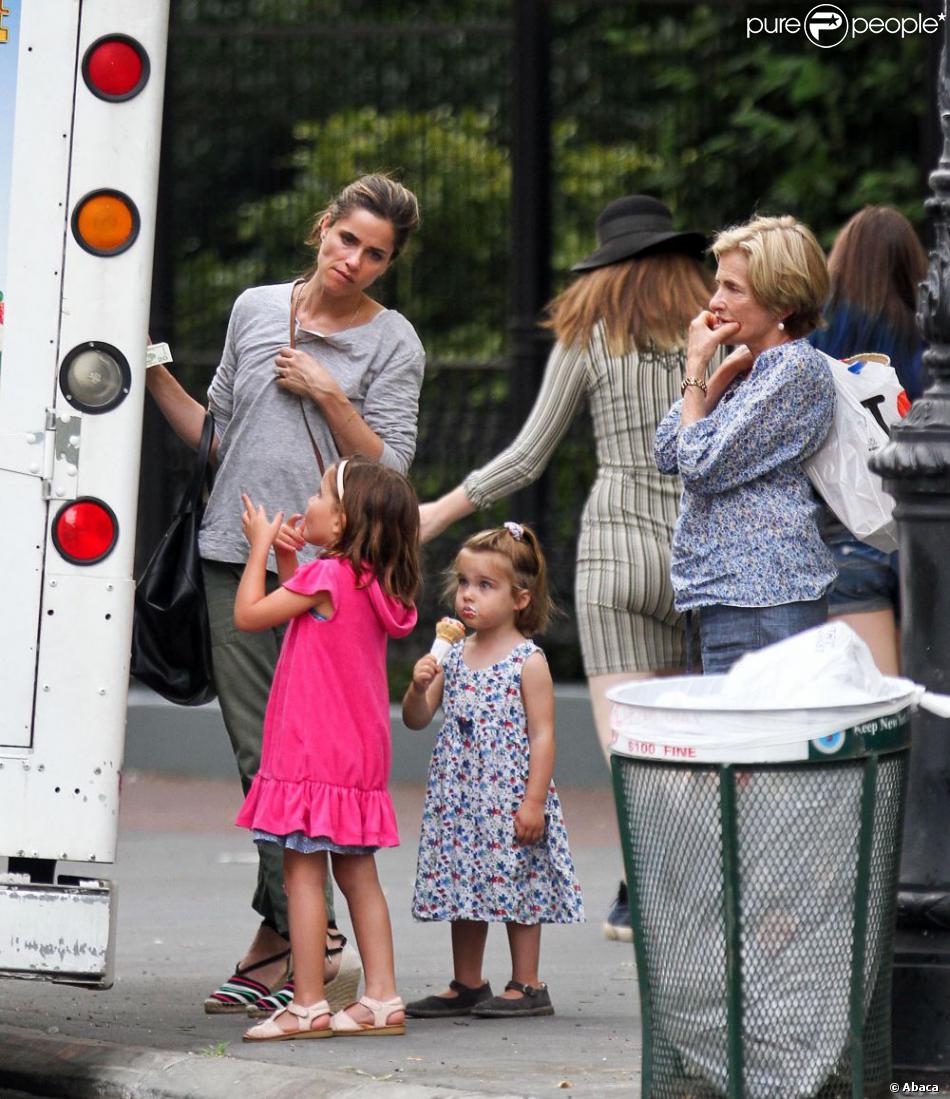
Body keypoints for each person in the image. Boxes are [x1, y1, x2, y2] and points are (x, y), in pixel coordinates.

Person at [144, 174, 424, 1014]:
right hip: (240, 557)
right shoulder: (256, 308)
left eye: (376, 254)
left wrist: (330, 393)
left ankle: (297, 939)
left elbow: (391, 468)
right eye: (348, 240)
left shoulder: (395, 343)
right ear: (322, 227)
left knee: (301, 764)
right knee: (257, 758)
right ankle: (297, 933)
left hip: (330, 584)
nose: (356, 261)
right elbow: (218, 438)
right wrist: (153, 369)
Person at [417, 195, 713, 941]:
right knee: (690, 742)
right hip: (698, 552)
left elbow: (528, 455)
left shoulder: (591, 335)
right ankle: (686, 891)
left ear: (603, 267)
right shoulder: (715, 333)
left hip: (615, 552)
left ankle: (644, 894)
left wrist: (440, 510)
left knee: (630, 745)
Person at [238, 456, 420, 1040]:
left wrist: (258, 549)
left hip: (310, 754)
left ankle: (308, 1002)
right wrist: (289, 560)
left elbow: (249, 614)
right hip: (357, 757)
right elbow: (316, 619)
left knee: (302, 877)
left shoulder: (326, 579)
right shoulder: (370, 583)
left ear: (341, 524)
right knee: (358, 874)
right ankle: (382, 997)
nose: (308, 504)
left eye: (320, 496)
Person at [401, 523, 584, 1020]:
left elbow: (543, 735)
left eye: (485, 585)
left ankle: (528, 984)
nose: (468, 595)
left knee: (517, 880)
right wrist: (418, 688)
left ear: (520, 598)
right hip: (460, 795)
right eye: (464, 582)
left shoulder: (528, 661)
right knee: (465, 880)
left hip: (508, 794)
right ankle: (468, 981)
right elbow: (416, 720)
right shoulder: (454, 656)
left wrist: (534, 801)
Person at [654, 214, 837, 674]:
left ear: (782, 302)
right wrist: (720, 373)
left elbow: (696, 463)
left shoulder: (795, 371)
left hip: (763, 600)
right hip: (729, 597)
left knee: (756, 747)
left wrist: (697, 362)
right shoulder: (752, 367)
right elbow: (666, 449)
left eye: (733, 289)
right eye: (718, 285)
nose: (715, 302)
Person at [810, 206, 928, 675]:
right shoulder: (928, 341)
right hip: (923, 535)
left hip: (845, 534)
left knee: (877, 712)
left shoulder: (817, 342)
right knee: (929, 706)